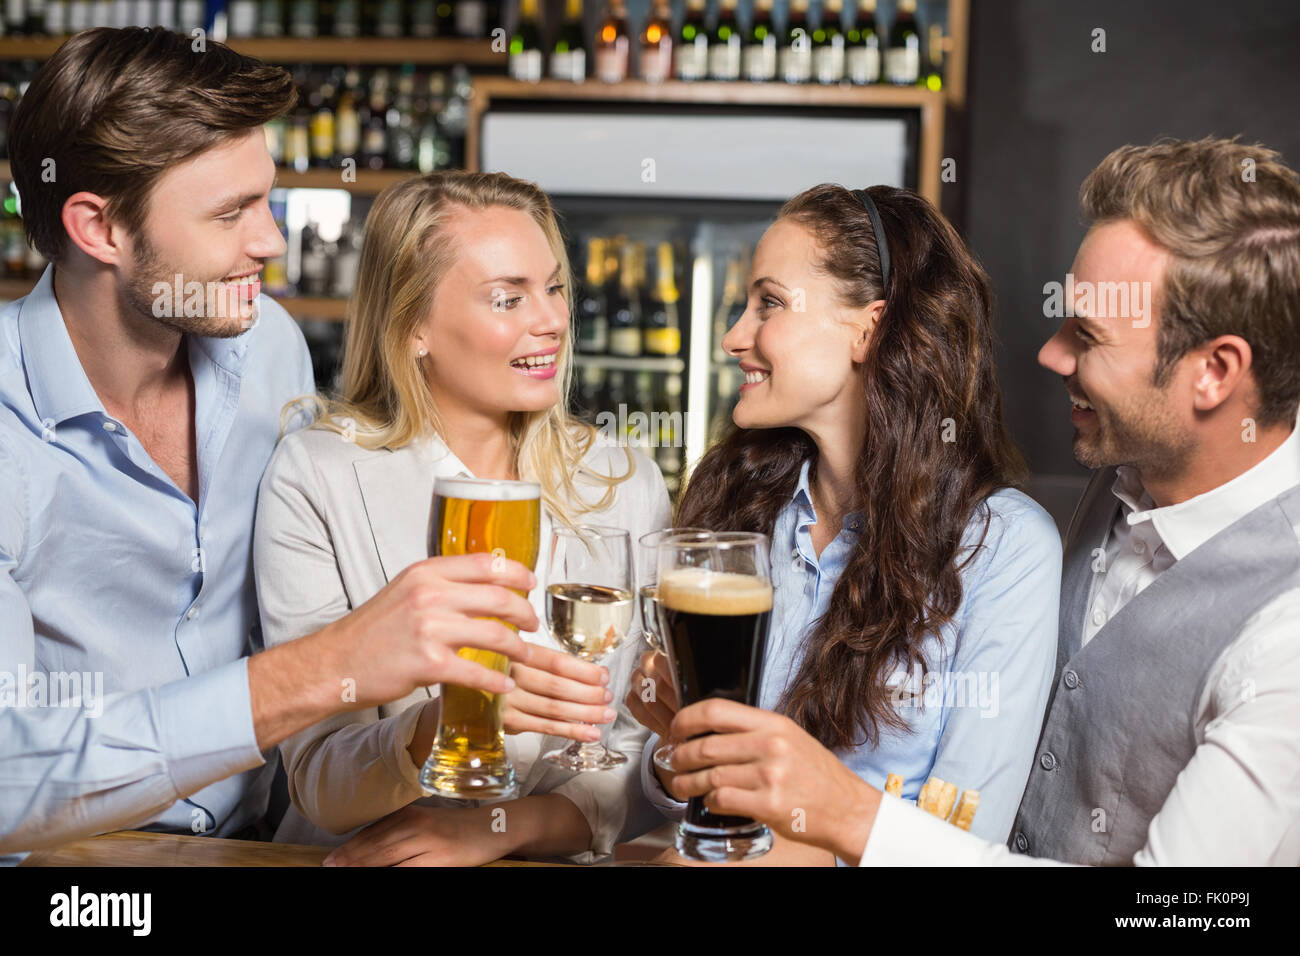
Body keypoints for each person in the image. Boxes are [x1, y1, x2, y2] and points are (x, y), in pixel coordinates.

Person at [666, 137, 1300, 867]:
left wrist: (849, 817)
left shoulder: (1279, 636)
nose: (1048, 355)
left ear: (1215, 373)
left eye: (1086, 336)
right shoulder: (1126, 478)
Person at [0, 28, 535, 865]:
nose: (272, 241)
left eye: (267, 199)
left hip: (264, 846)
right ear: (98, 227)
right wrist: (324, 667)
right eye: (229, 214)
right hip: (76, 861)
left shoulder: (268, 348)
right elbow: (5, 777)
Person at [626, 182, 1062, 864]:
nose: (734, 336)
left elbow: (963, 844)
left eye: (768, 303)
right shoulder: (735, 512)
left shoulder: (1002, 547)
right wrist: (672, 752)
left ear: (869, 326)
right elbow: (672, 796)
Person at [254, 171, 670, 866]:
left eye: (555, 288)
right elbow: (320, 779)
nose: (552, 320)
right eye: (509, 297)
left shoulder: (622, 479)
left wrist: (497, 829)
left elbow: (626, 757)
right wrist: (445, 724)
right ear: (413, 326)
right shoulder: (316, 475)